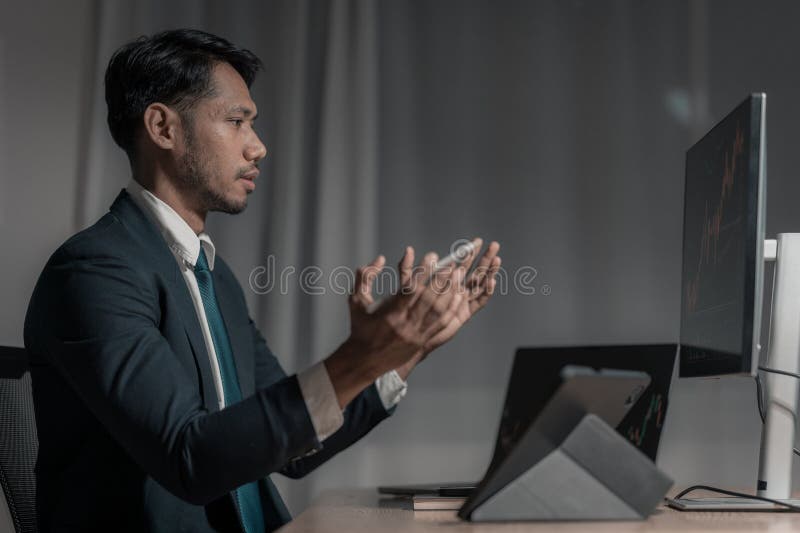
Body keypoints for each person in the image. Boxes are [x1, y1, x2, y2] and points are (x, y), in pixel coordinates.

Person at [24, 29, 501, 532]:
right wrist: (361, 355)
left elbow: (289, 447)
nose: (259, 147)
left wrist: (401, 352)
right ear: (163, 127)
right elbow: (190, 457)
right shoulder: (93, 273)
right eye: (237, 122)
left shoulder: (215, 279)